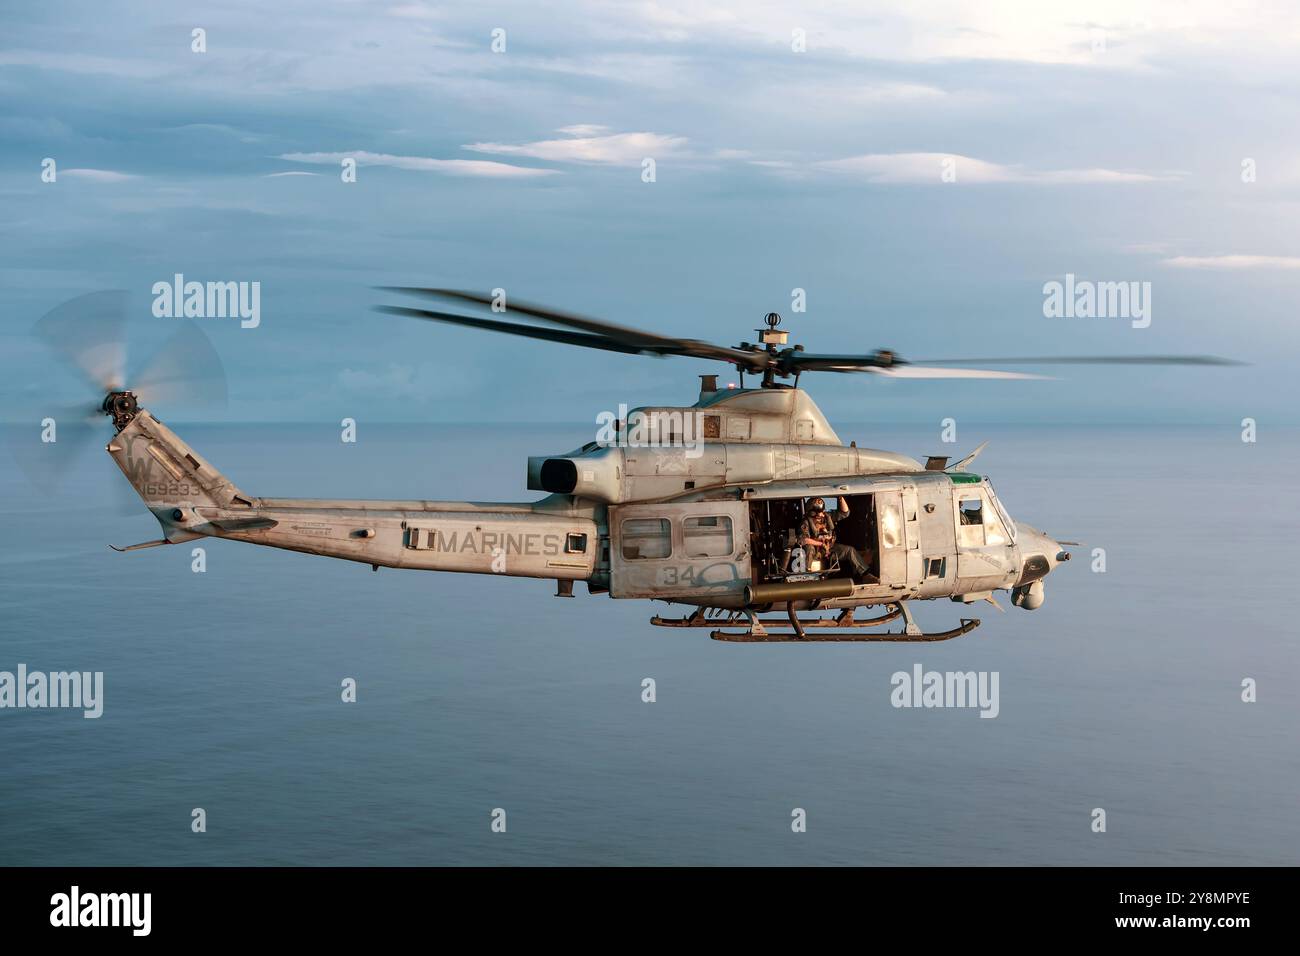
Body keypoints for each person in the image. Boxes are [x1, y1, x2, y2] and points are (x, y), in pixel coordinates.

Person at [799, 496, 872, 582]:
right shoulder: (806, 522)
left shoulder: (827, 517)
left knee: (849, 550)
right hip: (815, 550)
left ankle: (865, 575)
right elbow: (805, 540)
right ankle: (806, 577)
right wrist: (821, 544)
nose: (820, 514)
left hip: (829, 548)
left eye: (821, 511)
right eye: (817, 512)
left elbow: (845, 513)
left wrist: (840, 498)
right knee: (809, 548)